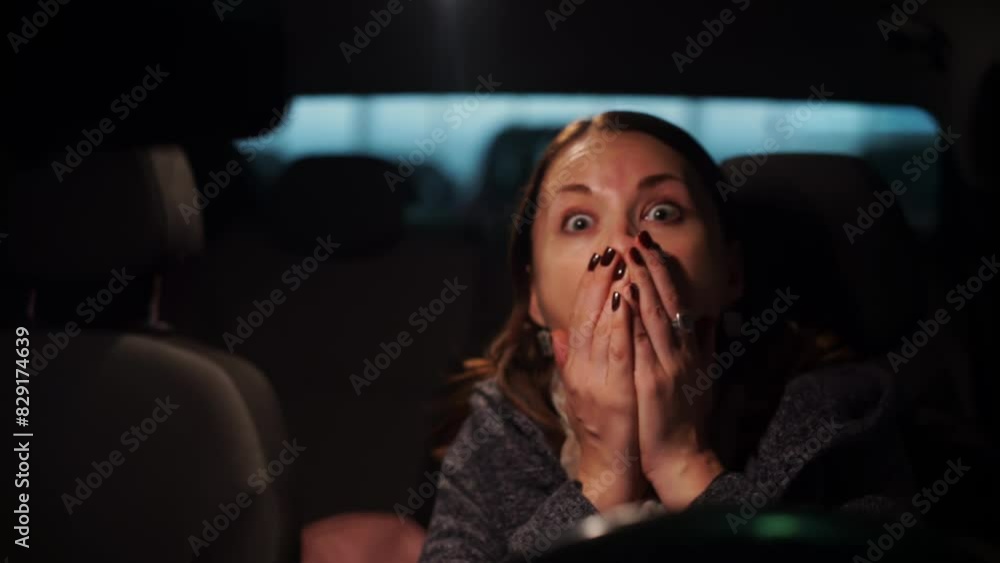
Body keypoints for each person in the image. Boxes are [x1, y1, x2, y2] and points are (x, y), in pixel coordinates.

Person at [419, 111, 913, 562]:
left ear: (730, 273)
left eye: (662, 213)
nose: (621, 245)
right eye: (578, 221)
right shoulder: (498, 429)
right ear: (534, 296)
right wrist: (603, 474)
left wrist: (685, 461)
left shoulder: (834, 411)